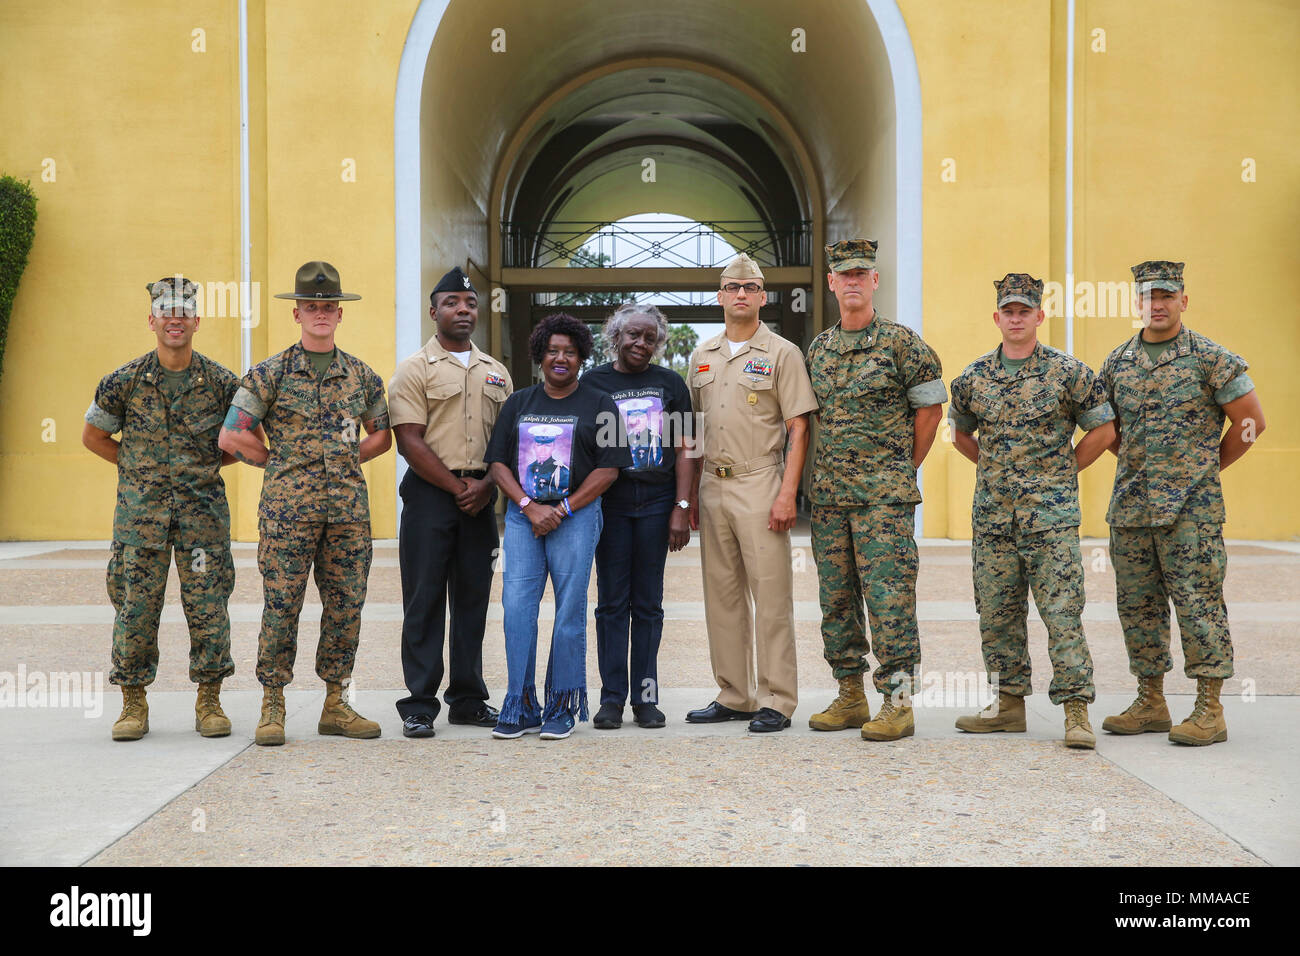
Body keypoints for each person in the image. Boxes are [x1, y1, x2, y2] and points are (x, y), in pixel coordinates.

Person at [218, 261, 392, 746]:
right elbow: (232, 434)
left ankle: (336, 702)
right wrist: (276, 461)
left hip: (347, 516)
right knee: (281, 604)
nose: (319, 313)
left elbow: (382, 436)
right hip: (287, 515)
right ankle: (272, 701)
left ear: (339, 314)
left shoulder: (361, 375)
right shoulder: (268, 374)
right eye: (310, 306)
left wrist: (344, 455)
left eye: (327, 307)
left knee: (345, 606)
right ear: (296, 313)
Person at [948, 273, 1116, 749]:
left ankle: (1076, 710)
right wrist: (992, 469)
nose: (1016, 318)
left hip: (1051, 518)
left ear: (1039, 317)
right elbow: (960, 432)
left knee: (1062, 613)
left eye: (1025, 310)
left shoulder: (1070, 373)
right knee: (997, 613)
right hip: (994, 519)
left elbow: (1101, 431)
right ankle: (1008, 705)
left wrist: (1062, 474)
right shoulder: (973, 377)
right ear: (997, 318)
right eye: (1009, 311)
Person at [1100, 260, 1264, 746]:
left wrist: (1204, 470)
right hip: (1131, 510)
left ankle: (1209, 709)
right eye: (1149, 297)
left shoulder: (1211, 358)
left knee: (1198, 605)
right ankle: (1150, 701)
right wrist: (1133, 461)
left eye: (1166, 296)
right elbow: (1109, 431)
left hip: (1191, 512)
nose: (1157, 305)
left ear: (1183, 301)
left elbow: (1252, 424)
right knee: (1138, 607)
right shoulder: (1118, 363)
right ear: (1138, 303)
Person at [82, 275, 241, 741]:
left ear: (197, 320)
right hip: (140, 520)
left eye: (183, 312)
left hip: (202, 521)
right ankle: (133, 704)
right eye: (166, 312)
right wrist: (136, 471)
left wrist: (207, 465)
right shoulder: (123, 382)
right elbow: (94, 437)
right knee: (135, 611)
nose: (175, 319)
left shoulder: (221, 383)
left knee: (209, 608)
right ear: (152, 320)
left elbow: (241, 440)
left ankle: (209, 701)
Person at [805, 239, 947, 741]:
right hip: (829, 500)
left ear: (875, 281)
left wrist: (900, 470)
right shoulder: (818, 350)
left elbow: (931, 410)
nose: (853, 282)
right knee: (836, 600)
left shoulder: (901, 344)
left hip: (884, 501)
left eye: (862, 274)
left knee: (889, 601)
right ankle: (850, 694)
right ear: (831, 283)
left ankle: (899, 703)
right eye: (844, 275)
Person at [685, 254, 818, 733]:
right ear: (720, 296)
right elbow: (692, 431)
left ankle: (777, 699)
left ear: (763, 297)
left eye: (750, 287)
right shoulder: (701, 356)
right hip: (712, 487)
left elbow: (798, 428)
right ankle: (735, 694)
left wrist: (788, 495)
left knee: (771, 595)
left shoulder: (782, 353)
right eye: (731, 286)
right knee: (721, 596)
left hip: (760, 481)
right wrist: (689, 496)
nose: (740, 294)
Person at [485, 313, 630, 741]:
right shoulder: (519, 403)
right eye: (553, 351)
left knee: (569, 610)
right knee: (517, 608)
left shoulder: (599, 404)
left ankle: (562, 705)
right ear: (540, 356)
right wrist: (529, 507)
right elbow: (497, 463)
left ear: (581, 357)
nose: (560, 358)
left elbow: (608, 471)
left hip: (576, 517)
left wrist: (562, 509)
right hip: (523, 517)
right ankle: (520, 702)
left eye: (569, 351)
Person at [388, 266, 512, 738]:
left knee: (472, 601)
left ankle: (467, 699)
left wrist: (487, 487)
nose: (463, 310)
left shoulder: (496, 372)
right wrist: (459, 488)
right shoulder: (415, 369)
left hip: (482, 498)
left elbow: (508, 440)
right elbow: (410, 442)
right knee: (423, 601)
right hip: (431, 498)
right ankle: (419, 704)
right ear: (433, 310)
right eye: (452, 303)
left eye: (470, 304)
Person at [583, 303, 695, 730]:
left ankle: (645, 699)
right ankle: (611, 699)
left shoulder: (671, 383)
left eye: (650, 338)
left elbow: (688, 447)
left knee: (648, 605)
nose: (641, 343)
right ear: (615, 336)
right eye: (633, 335)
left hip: (655, 502)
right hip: (609, 504)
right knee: (611, 603)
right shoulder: (593, 381)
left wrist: (682, 507)